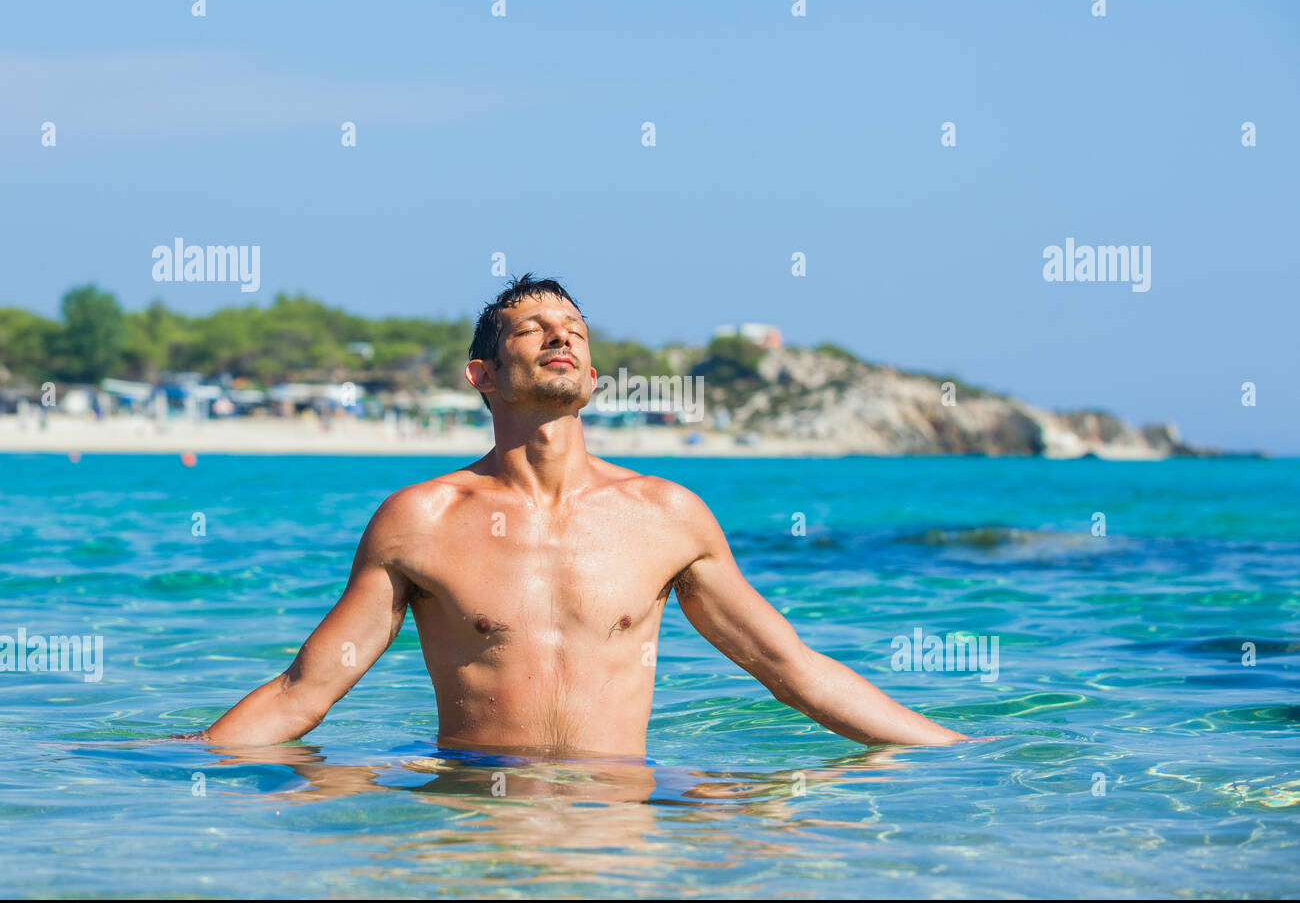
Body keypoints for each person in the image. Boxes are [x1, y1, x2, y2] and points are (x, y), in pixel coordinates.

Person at [204, 275, 969, 753]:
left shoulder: (666, 515)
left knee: (783, 828)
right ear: (484, 374)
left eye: (572, 328)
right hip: (470, 815)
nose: (559, 333)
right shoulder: (422, 520)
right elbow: (306, 691)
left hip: (621, 820)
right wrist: (172, 761)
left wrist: (961, 751)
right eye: (532, 329)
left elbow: (792, 670)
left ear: (594, 378)